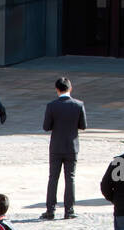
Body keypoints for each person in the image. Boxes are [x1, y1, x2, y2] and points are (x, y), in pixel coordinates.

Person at [42, 78, 86, 220]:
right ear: (70, 88)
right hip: (72, 147)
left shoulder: (52, 105)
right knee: (70, 178)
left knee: (53, 178)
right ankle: (69, 210)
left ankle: (50, 210)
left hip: (56, 146)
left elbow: (46, 127)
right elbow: (83, 125)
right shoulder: (78, 105)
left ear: (57, 89)